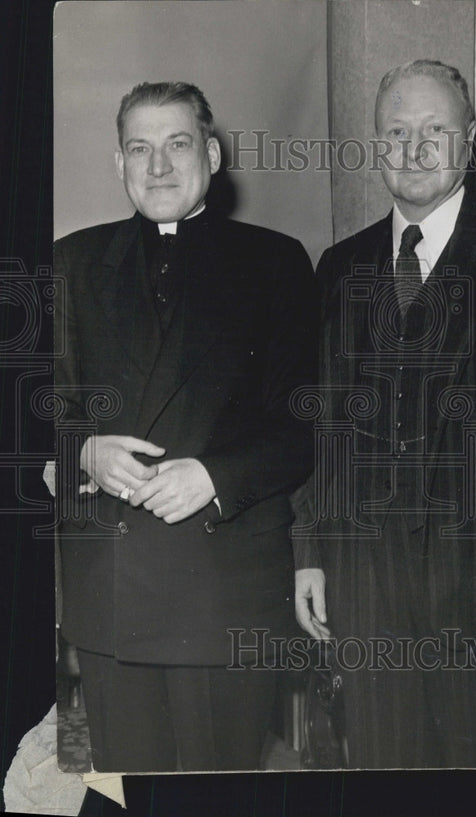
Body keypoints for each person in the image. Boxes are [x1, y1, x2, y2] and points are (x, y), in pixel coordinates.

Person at [293, 60, 476, 768]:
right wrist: (308, 554)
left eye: (435, 130)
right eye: (397, 132)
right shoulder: (341, 266)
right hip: (367, 584)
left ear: (470, 143)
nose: (415, 149)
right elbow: (322, 429)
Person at [54, 81, 317, 773]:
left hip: (222, 591)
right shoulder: (70, 263)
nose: (159, 165)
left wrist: (215, 476)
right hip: (110, 596)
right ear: (119, 163)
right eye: (140, 148)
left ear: (212, 152)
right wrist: (83, 448)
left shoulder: (277, 262)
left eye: (177, 144)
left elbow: (307, 427)